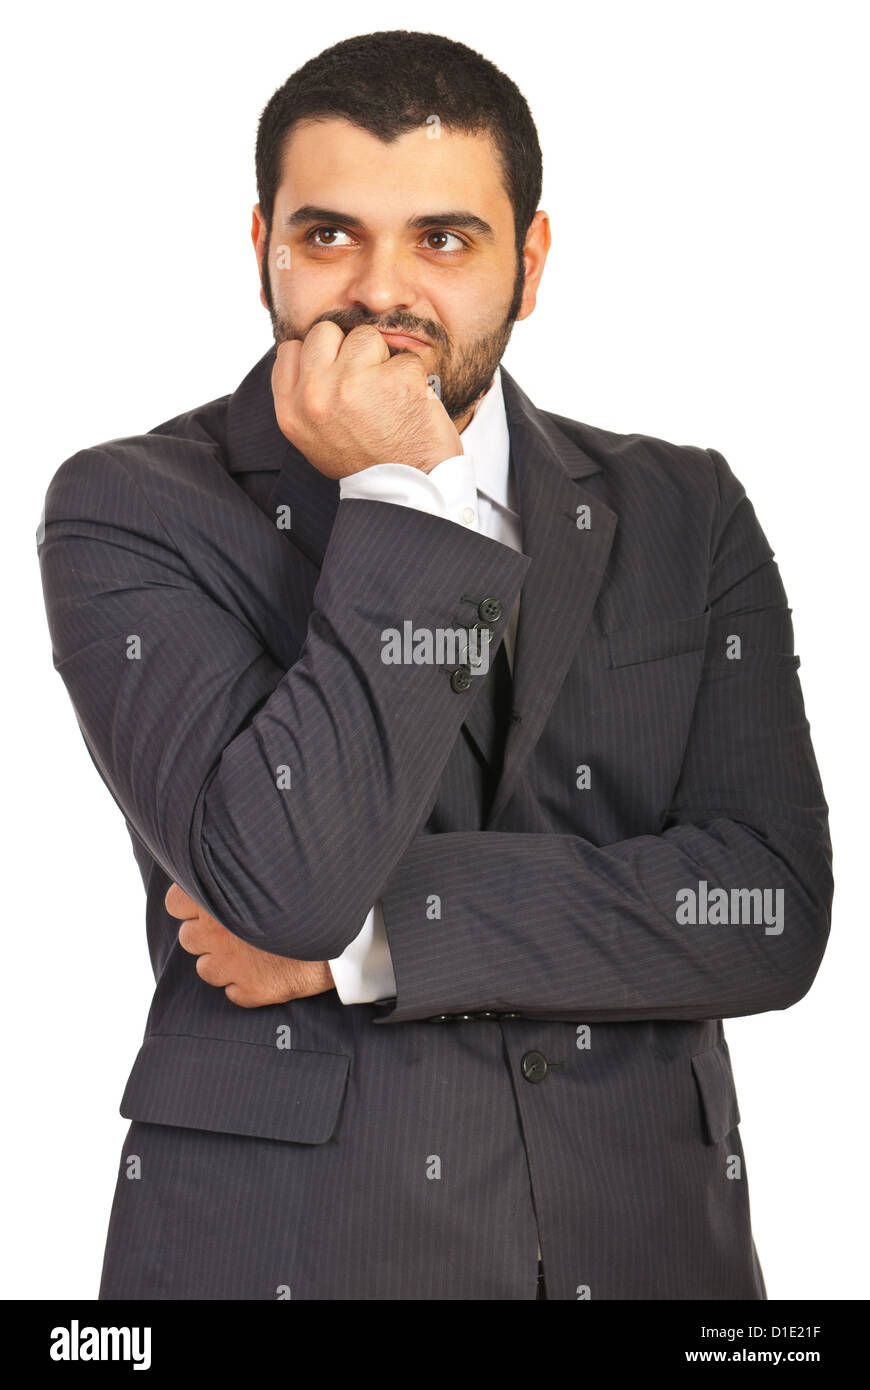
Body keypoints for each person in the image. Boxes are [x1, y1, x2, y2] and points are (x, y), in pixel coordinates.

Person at [37, 29, 833, 1301]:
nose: (381, 292)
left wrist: (382, 937)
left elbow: (766, 910)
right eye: (330, 235)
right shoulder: (130, 507)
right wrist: (410, 491)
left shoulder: (688, 507)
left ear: (533, 260)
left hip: (648, 1245)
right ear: (264, 253)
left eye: (445, 241)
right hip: (292, 1248)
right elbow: (287, 884)